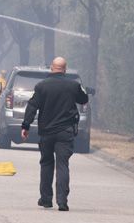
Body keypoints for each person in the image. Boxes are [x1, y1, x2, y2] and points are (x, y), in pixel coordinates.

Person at [20, 57, 88, 211]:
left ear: (52, 68)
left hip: (46, 132)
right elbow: (83, 99)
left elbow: (32, 106)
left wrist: (26, 126)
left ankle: (46, 199)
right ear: (65, 69)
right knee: (63, 165)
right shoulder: (73, 85)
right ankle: (62, 201)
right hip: (65, 132)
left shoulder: (41, 86)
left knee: (46, 163)